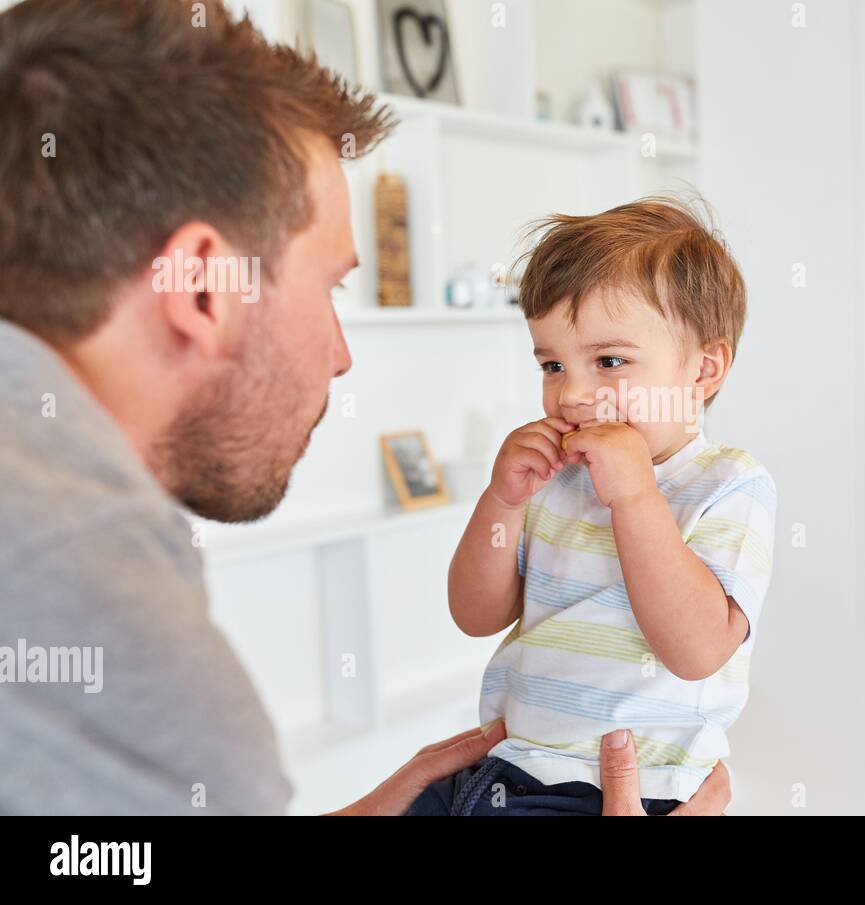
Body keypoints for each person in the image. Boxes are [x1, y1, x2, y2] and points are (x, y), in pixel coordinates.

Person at [0, 0, 728, 816]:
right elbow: (479, 605)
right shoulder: (79, 569)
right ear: (202, 287)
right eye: (330, 286)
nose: (342, 352)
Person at [410, 199, 775, 814]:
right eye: (552, 364)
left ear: (704, 369)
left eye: (609, 362)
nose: (573, 394)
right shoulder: (555, 479)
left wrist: (635, 497)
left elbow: (696, 650)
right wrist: (500, 502)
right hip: (507, 766)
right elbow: (476, 614)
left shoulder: (729, 483)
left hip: (624, 788)